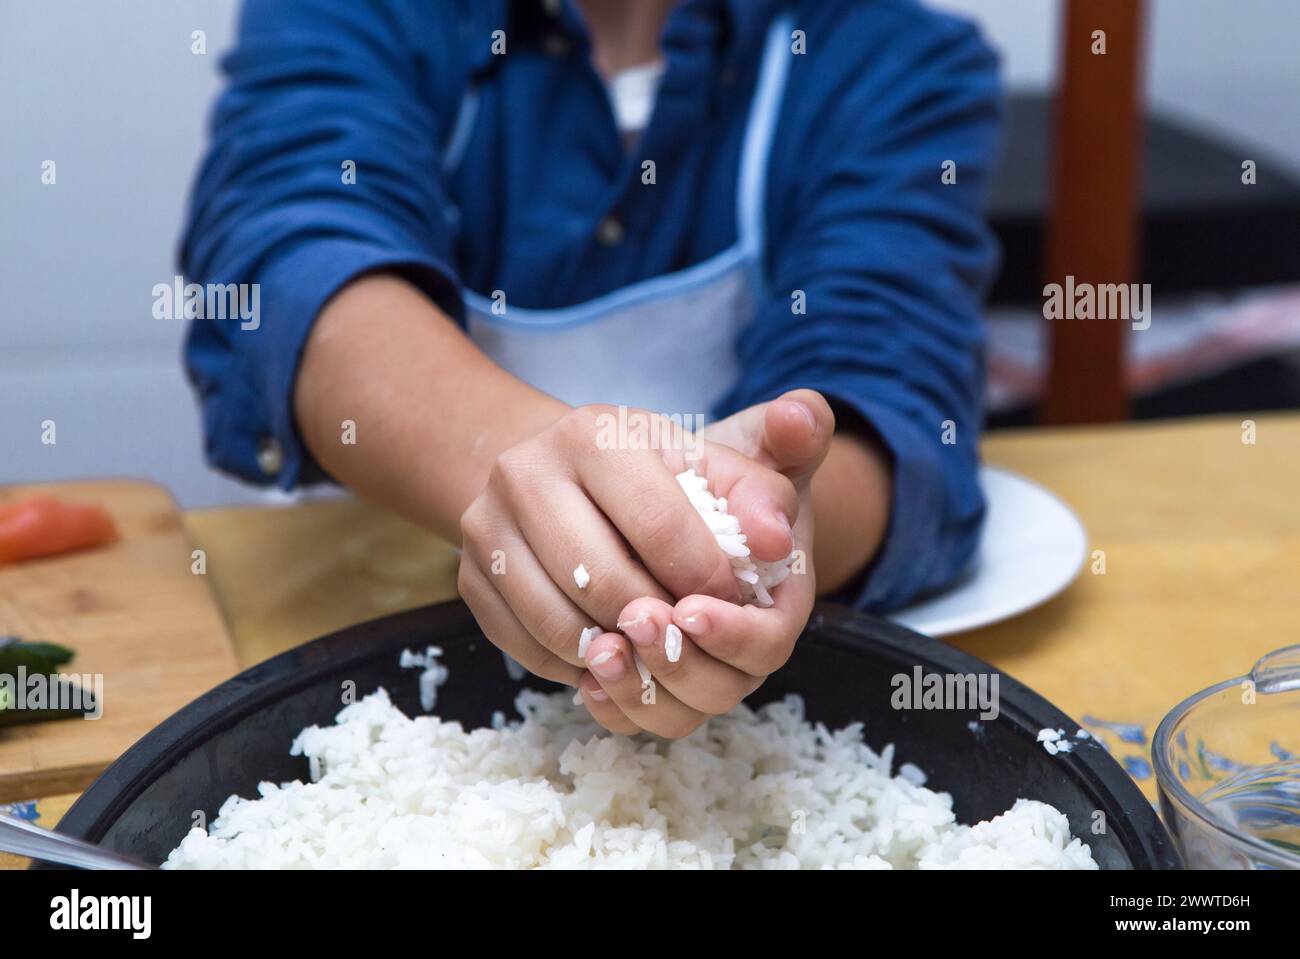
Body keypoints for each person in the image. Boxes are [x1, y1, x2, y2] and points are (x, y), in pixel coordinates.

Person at [182, 0, 1002, 737]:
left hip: (756, 705)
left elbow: (890, 384)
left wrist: (768, 528)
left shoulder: (891, 57)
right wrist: (548, 490)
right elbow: (288, 255)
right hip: (375, 671)